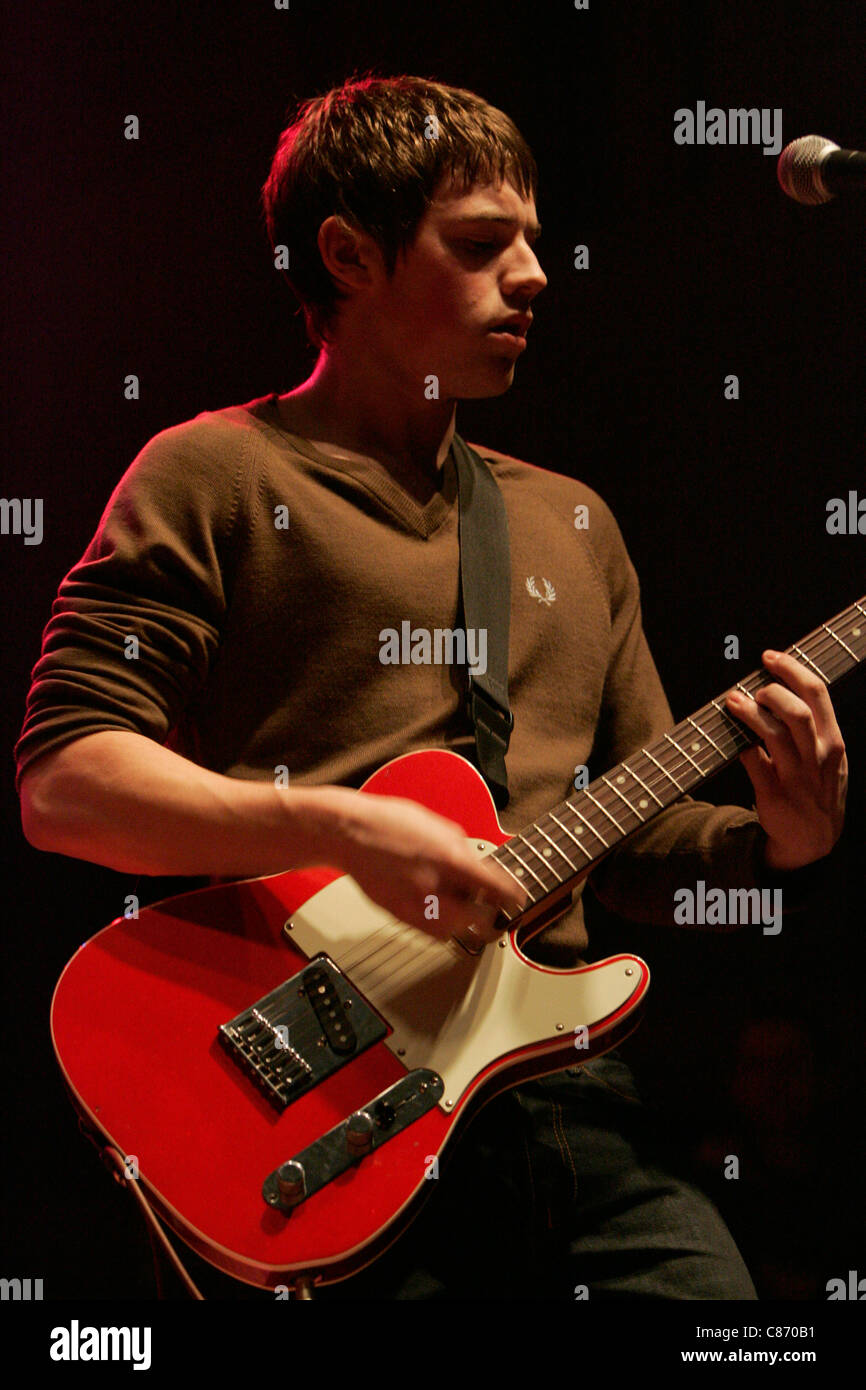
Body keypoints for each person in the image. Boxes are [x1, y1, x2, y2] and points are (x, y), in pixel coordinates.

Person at [15, 74, 847, 1300]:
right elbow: (66, 783)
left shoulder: (570, 520)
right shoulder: (211, 473)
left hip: (560, 1098)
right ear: (348, 256)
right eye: (479, 244)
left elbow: (637, 842)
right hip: (325, 1100)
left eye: (531, 238)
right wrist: (343, 823)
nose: (534, 275)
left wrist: (781, 840)